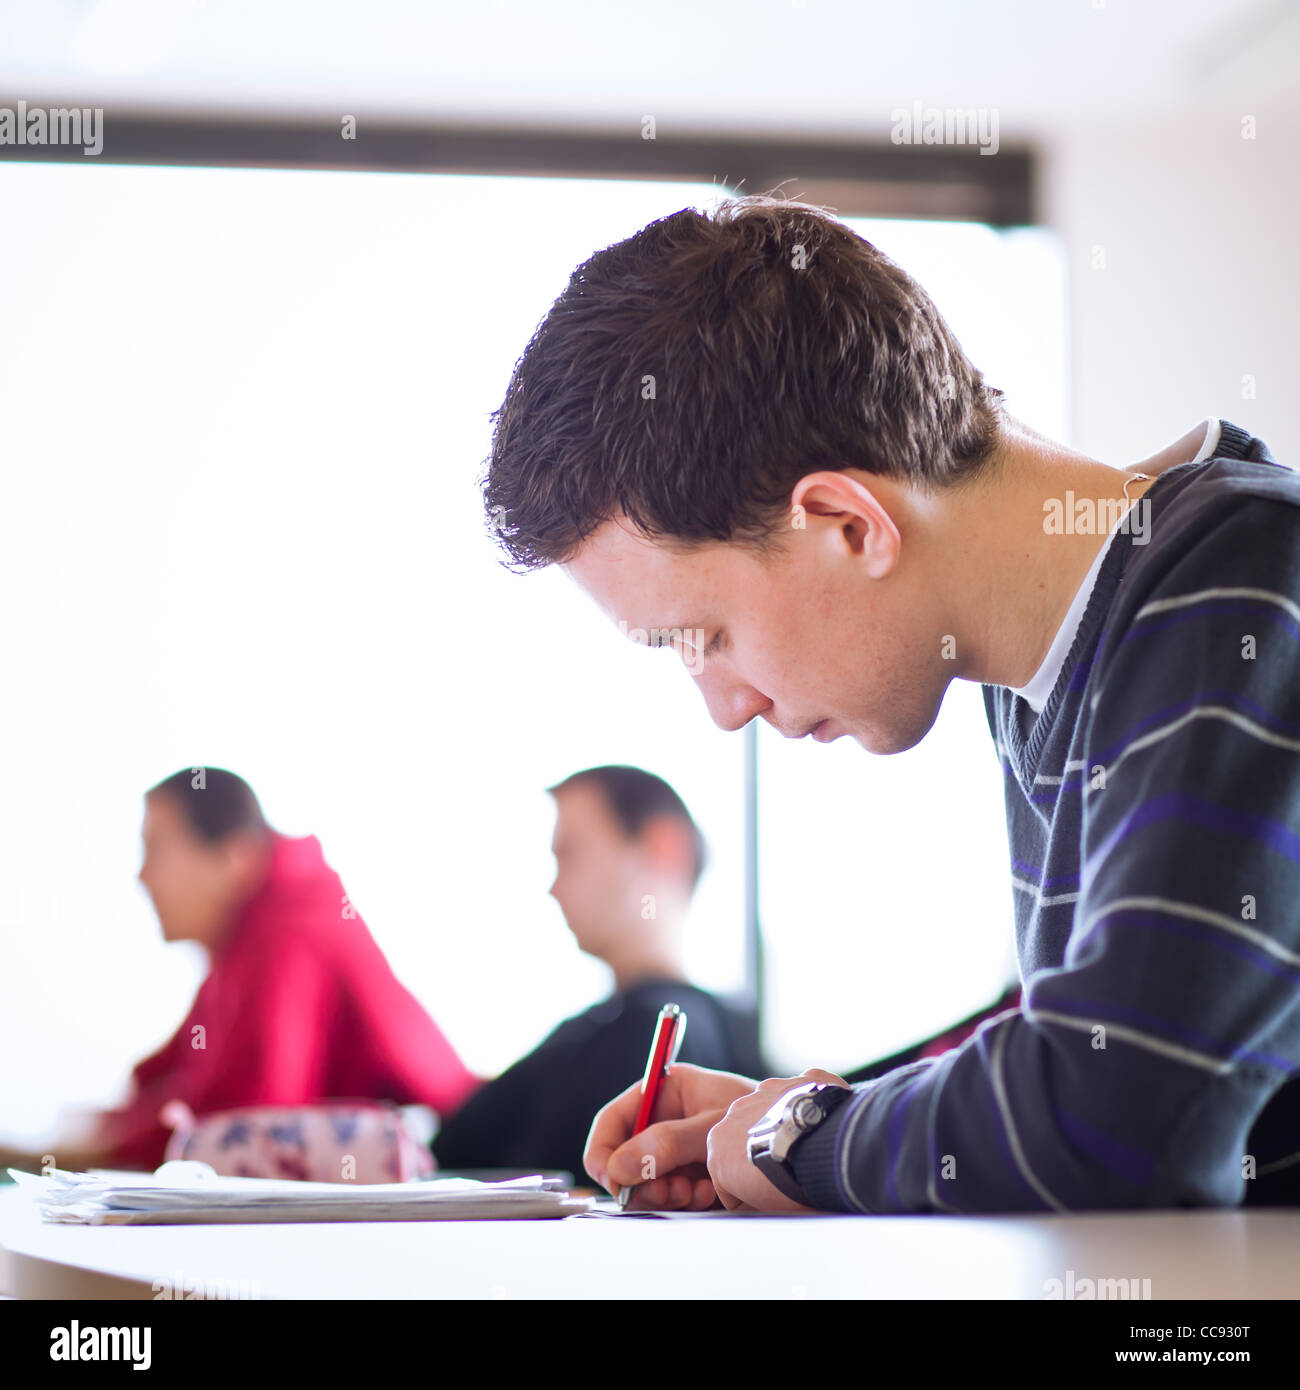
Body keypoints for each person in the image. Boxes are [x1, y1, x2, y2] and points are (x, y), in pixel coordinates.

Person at [480, 195, 1300, 1214]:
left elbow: (1120, 1115)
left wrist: (800, 1139)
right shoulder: (1054, 673)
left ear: (847, 525)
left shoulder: (1241, 579)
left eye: (703, 637)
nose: (724, 710)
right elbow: (1072, 1036)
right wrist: (790, 1121)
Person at [1, 768, 480, 1174]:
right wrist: (88, 1140)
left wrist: (59, 1157)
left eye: (156, 850)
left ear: (233, 857)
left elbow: (243, 1116)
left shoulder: (288, 931)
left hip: (461, 1152)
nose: (142, 877)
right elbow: (172, 1077)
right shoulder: (244, 943)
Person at [431, 765, 765, 1181]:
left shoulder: (635, 1030)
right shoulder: (725, 1032)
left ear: (662, 848)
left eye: (569, 855)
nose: (553, 888)